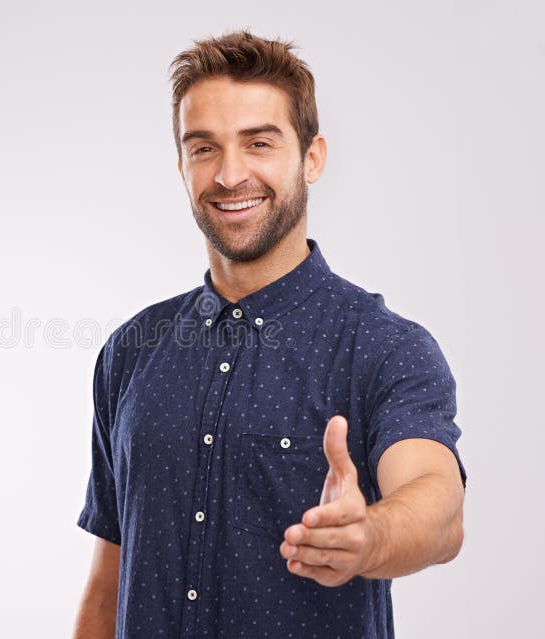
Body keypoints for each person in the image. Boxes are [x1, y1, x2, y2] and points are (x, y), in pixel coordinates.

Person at [72, 28, 467, 639]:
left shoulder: (385, 348)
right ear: (182, 166)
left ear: (311, 157)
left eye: (259, 142)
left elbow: (438, 507)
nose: (230, 175)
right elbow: (105, 590)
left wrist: (372, 536)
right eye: (204, 148)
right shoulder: (131, 351)